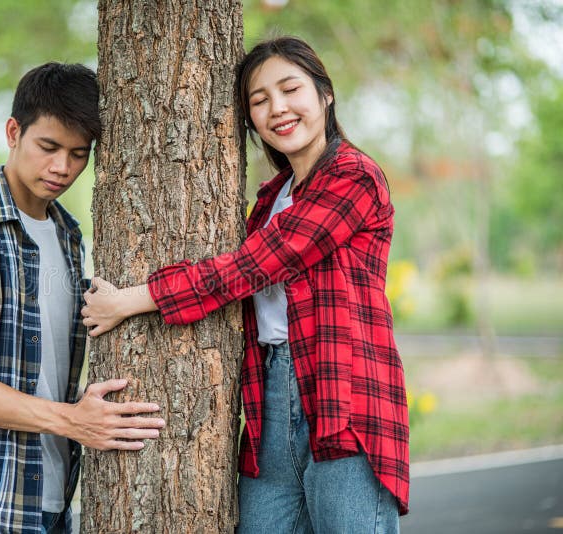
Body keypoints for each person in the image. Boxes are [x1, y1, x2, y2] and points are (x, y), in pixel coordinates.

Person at [81, 37, 409, 532]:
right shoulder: (270, 197)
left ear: (325, 95)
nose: (277, 108)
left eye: (290, 89)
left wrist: (130, 301)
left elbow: (254, 266)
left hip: (344, 400)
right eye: (259, 100)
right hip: (268, 406)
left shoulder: (354, 177)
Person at [0, 62, 165, 534]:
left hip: (55, 493)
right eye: (48, 147)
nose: (63, 168)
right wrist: (72, 421)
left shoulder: (68, 233)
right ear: (13, 132)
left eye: (78, 154)